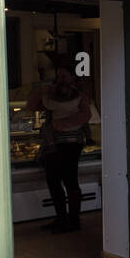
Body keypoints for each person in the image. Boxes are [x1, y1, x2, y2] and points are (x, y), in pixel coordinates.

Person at [26, 56, 92, 233]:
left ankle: (73, 220)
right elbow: (31, 106)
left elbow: (86, 116)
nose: (61, 80)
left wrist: (59, 125)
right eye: (59, 76)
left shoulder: (80, 95)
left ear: (72, 77)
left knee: (70, 180)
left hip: (71, 143)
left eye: (64, 76)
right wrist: (41, 89)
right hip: (53, 144)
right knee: (53, 180)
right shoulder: (52, 95)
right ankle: (62, 218)